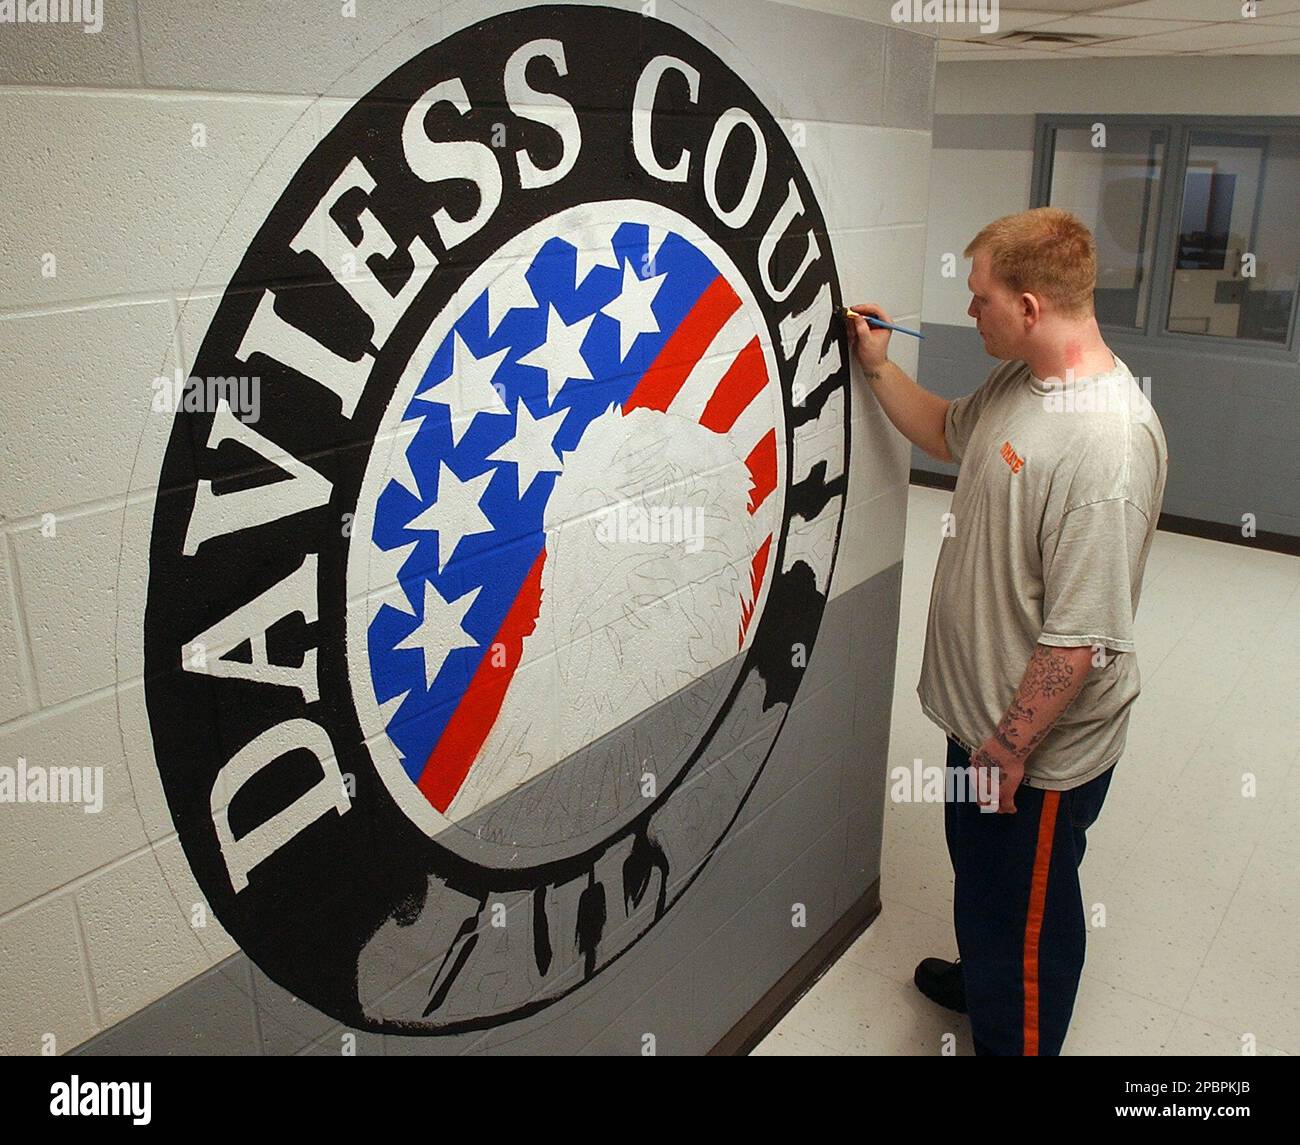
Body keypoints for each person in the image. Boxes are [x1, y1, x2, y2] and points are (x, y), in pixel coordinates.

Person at [846, 207, 1169, 1056]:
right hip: (984, 725)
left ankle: (1012, 1020)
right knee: (989, 884)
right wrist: (878, 370)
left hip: (1033, 753)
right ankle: (986, 971)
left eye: (979, 296)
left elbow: (1082, 637)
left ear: (1029, 306)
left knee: (1030, 910)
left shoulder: (1108, 445)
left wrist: (1010, 746)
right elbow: (947, 430)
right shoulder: (1023, 382)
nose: (969, 309)